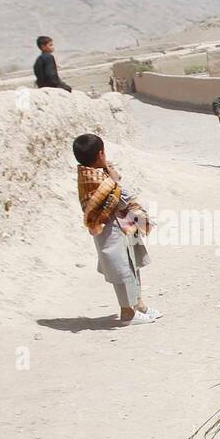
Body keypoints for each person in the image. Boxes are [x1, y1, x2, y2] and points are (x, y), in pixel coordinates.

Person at [73, 134, 162, 325]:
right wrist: (114, 180)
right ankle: (127, 312)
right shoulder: (95, 179)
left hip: (122, 226)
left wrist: (112, 179)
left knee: (132, 264)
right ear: (101, 153)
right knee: (121, 270)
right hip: (109, 231)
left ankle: (139, 305)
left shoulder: (95, 174)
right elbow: (121, 197)